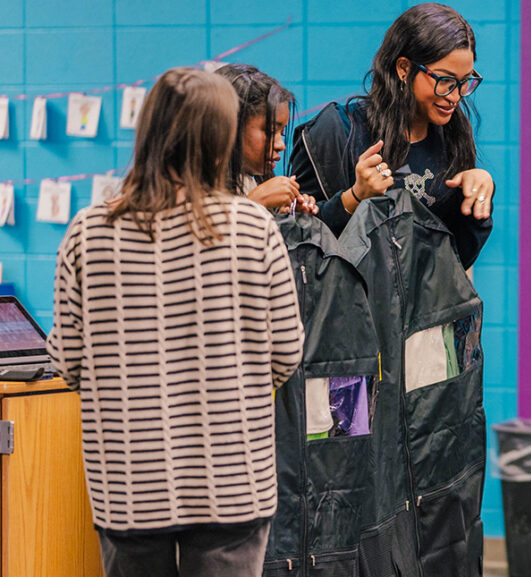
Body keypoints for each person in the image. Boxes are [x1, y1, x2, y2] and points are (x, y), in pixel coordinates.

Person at [46, 67, 304, 577]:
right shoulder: (254, 228)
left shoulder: (89, 232)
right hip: (233, 480)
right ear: (222, 138)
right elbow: (286, 355)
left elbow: (68, 364)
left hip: (128, 485)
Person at [291, 2, 492, 268]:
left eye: (465, 81)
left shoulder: (453, 134)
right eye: (445, 80)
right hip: (352, 308)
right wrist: (354, 197)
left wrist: (477, 201)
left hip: (426, 309)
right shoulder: (337, 130)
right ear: (404, 69)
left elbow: (454, 265)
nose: (455, 96)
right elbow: (297, 239)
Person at [215, 62, 317, 214]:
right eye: (270, 131)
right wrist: (255, 203)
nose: (281, 145)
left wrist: (283, 217)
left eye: (281, 133)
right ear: (230, 126)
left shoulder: (251, 181)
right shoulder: (187, 189)